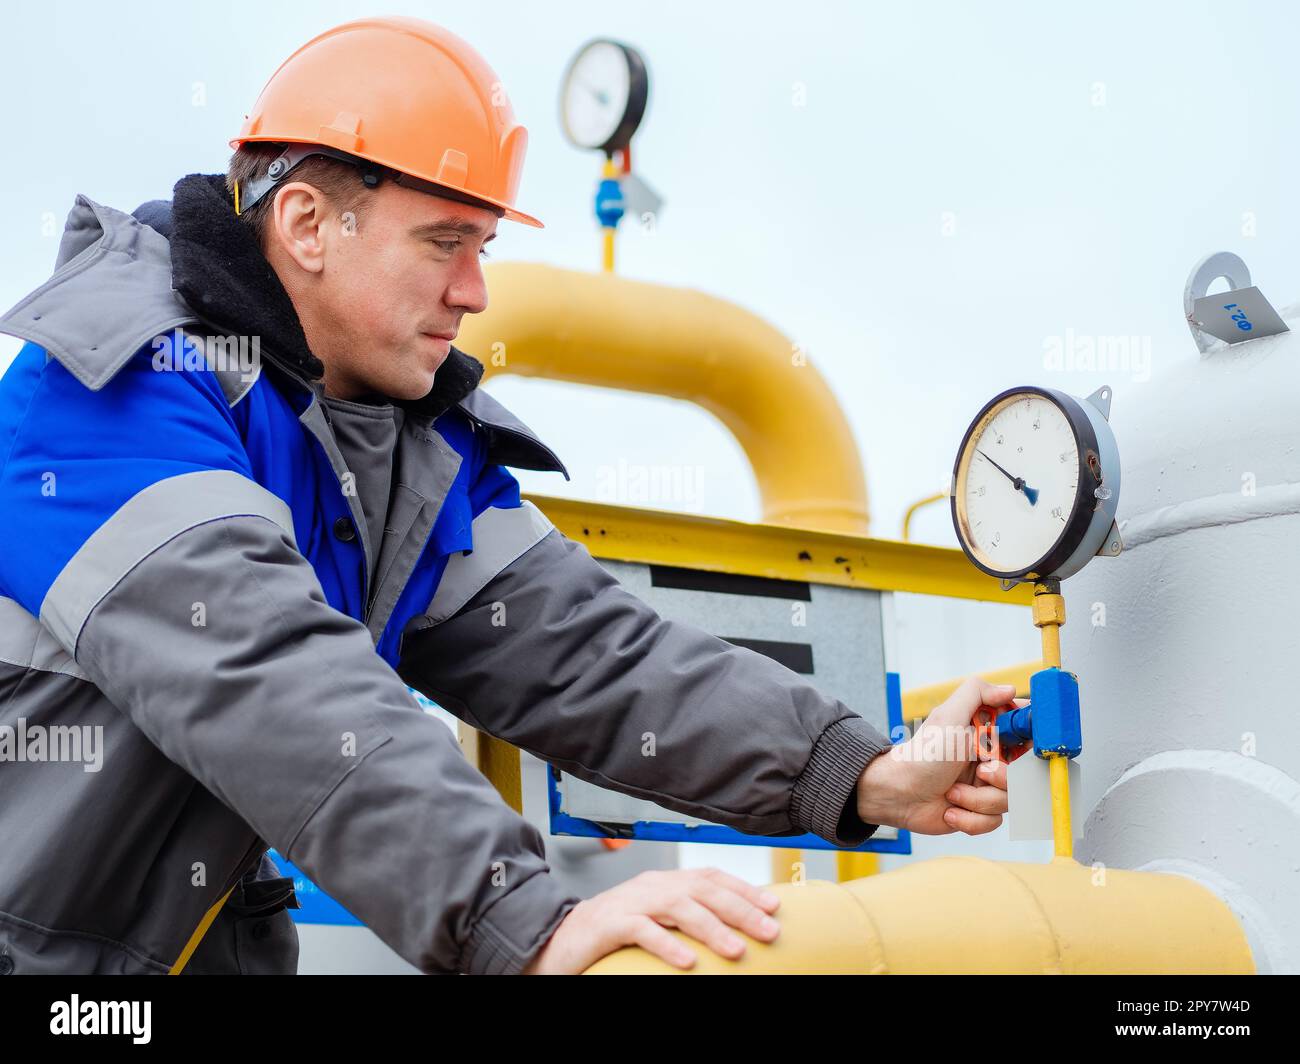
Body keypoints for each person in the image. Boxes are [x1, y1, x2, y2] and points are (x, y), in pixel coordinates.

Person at [0, 16, 1012, 976]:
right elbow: (260, 668)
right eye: (445, 242)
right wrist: (521, 917)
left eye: (485, 247)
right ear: (308, 222)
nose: (475, 290)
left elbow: (594, 655)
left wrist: (862, 769)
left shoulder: (401, 450)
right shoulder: (116, 380)